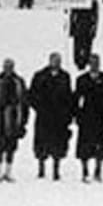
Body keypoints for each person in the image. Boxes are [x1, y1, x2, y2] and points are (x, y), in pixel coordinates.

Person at [29, 52, 72, 180]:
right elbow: (32, 94)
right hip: (44, 115)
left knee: (58, 143)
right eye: (54, 60)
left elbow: (69, 96)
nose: (56, 63)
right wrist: (39, 107)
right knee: (42, 143)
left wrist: (67, 112)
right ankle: (41, 169)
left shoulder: (65, 76)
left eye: (58, 61)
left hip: (59, 117)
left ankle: (56, 170)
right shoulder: (40, 76)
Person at [74, 53, 103, 182]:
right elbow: (76, 98)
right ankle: (85, 170)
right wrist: (76, 114)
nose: (94, 65)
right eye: (92, 63)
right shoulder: (82, 79)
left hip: (102, 116)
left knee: (101, 145)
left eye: (96, 63)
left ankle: (98, 170)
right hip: (87, 116)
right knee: (85, 146)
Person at [0, 58, 28, 182]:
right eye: (6, 66)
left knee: (12, 145)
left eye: (10, 66)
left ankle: (8, 171)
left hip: (14, 118)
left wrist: (23, 121)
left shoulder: (19, 82)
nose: (8, 69)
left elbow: (24, 102)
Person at [69, 0, 99, 70]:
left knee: (86, 45)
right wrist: (72, 28)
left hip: (87, 26)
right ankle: (79, 60)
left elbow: (95, 16)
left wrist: (93, 29)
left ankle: (84, 59)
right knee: (78, 44)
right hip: (79, 26)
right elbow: (72, 15)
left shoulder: (92, 1)